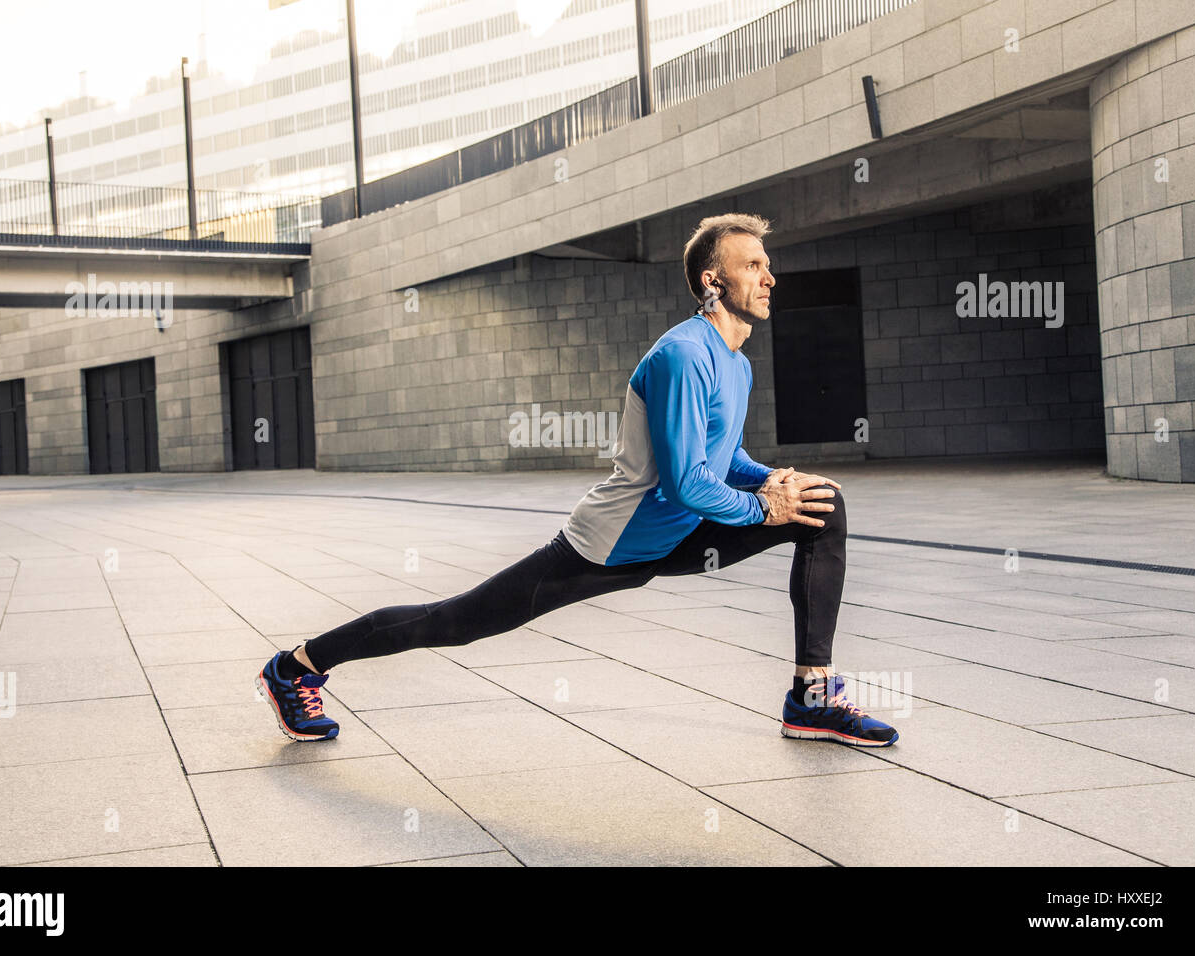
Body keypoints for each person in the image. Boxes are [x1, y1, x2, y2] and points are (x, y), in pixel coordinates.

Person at [256, 212, 898, 748]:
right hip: (608, 545)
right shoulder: (682, 355)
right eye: (753, 265)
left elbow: (722, 458)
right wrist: (764, 509)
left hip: (674, 540)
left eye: (767, 264)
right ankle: (296, 667)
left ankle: (811, 699)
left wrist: (773, 480)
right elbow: (683, 484)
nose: (769, 276)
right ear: (712, 280)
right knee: (455, 621)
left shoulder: (736, 363)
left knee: (822, 505)